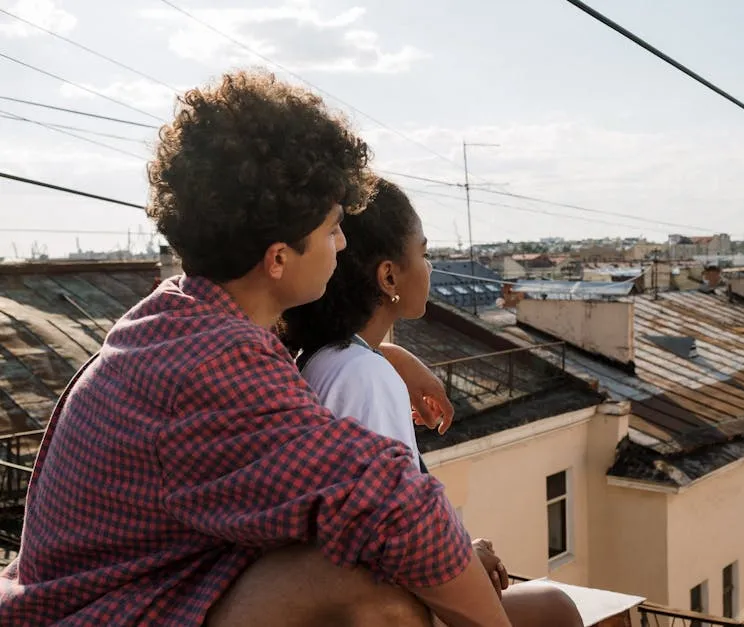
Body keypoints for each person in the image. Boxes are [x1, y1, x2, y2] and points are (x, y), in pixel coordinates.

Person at [0, 71, 512, 627]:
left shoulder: (175, 321)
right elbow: (399, 510)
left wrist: (386, 355)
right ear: (278, 259)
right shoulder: (211, 364)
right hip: (100, 613)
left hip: (121, 595)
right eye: (333, 228)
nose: (342, 243)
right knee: (369, 595)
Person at [280, 179, 584, 627]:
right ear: (389, 277)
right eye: (423, 254)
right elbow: (390, 540)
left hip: (339, 600)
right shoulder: (365, 378)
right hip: (380, 608)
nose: (429, 268)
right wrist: (463, 556)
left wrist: (393, 355)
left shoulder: (324, 359)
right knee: (553, 609)